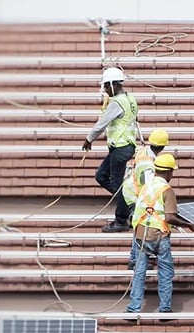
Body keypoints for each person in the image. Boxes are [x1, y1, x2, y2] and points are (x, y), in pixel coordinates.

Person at [125, 154, 194, 315]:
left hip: (141, 234)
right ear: (169, 172)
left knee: (139, 274)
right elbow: (170, 217)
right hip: (160, 235)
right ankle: (164, 308)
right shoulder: (167, 190)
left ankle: (133, 308)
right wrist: (188, 225)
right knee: (165, 272)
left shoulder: (146, 186)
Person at [82, 67, 138, 233]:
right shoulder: (130, 98)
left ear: (114, 84)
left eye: (106, 86)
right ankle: (129, 202)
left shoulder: (117, 102)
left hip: (121, 147)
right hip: (123, 146)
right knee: (101, 176)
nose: (105, 90)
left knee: (117, 184)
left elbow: (102, 123)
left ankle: (121, 220)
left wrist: (88, 139)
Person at [123, 128, 170, 270]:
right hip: (135, 195)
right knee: (139, 225)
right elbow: (150, 187)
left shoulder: (144, 151)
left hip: (132, 191)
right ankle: (134, 259)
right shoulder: (148, 166)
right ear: (162, 147)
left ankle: (135, 258)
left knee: (139, 224)